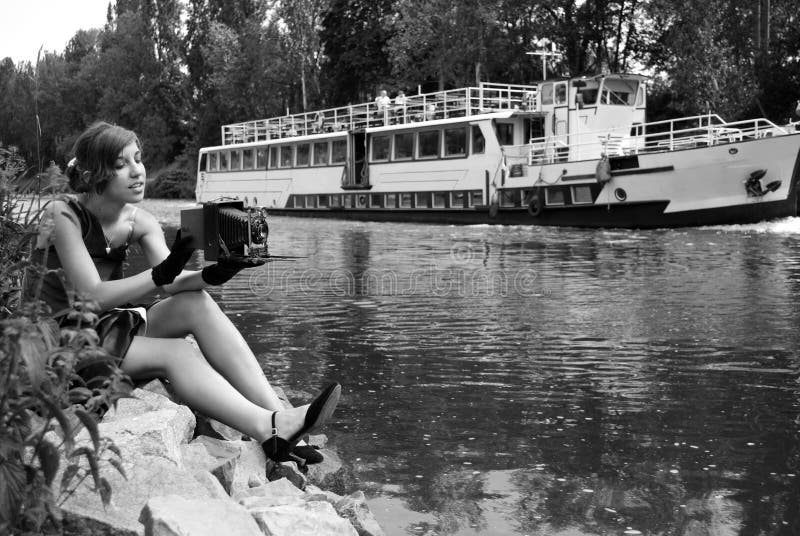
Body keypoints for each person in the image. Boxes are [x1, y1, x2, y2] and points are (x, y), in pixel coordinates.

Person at [25, 121, 340, 466]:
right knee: (176, 352)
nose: (137, 172)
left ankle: (280, 416)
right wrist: (160, 273)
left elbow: (172, 281)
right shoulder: (62, 213)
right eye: (121, 165)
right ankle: (267, 429)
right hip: (58, 342)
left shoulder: (140, 221)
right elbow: (93, 295)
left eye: (138, 159)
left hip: (106, 328)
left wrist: (213, 273)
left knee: (196, 302)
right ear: (94, 174)